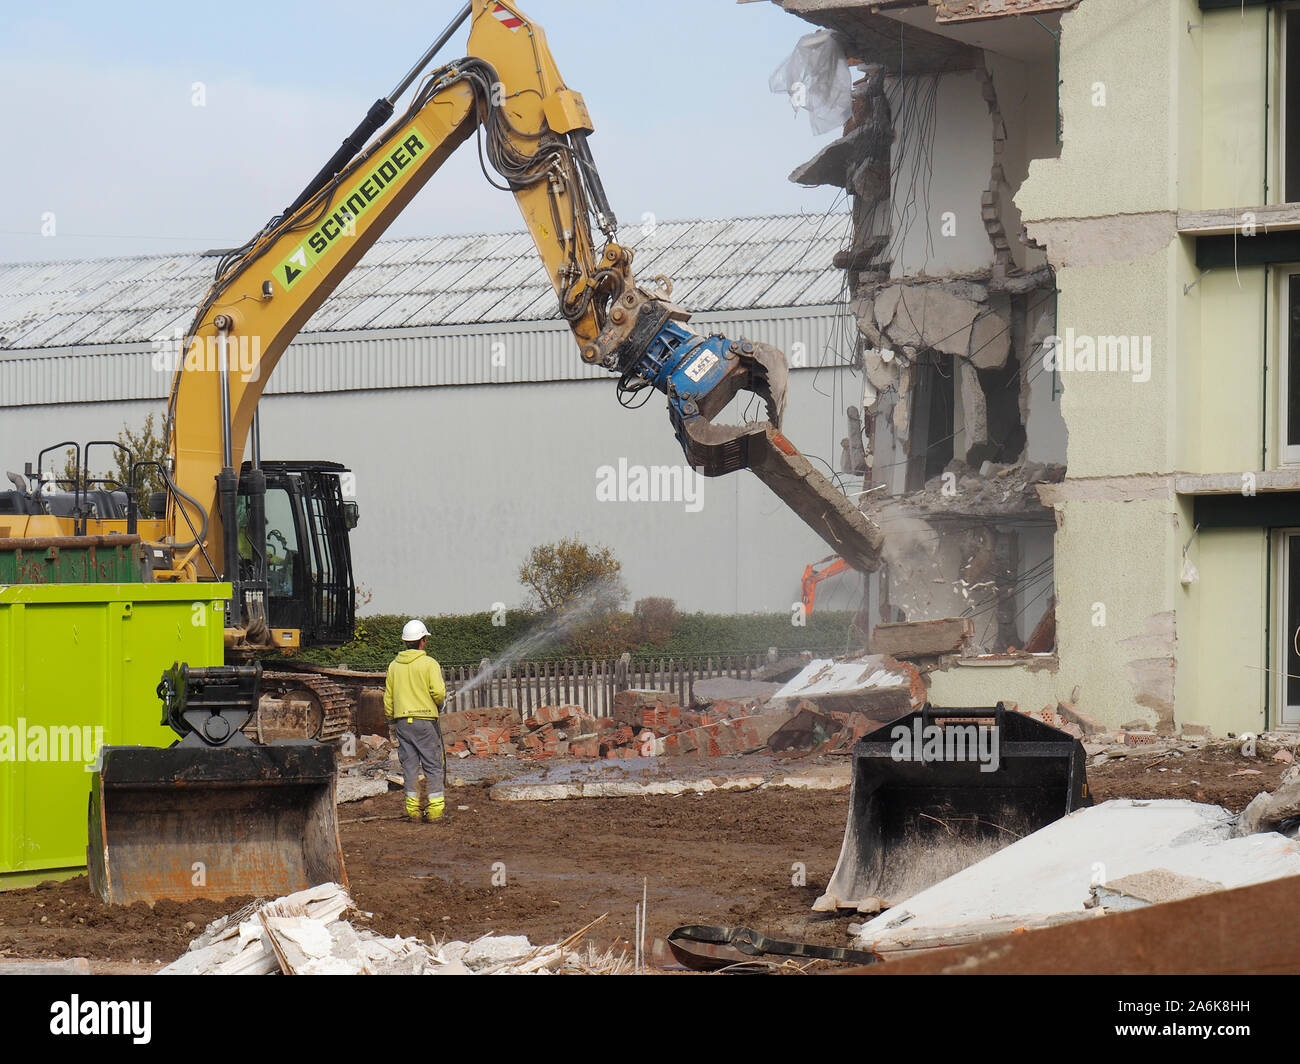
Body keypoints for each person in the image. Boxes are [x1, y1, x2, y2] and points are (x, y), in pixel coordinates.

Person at [384, 619, 447, 822]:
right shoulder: (429, 664)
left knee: (410, 767)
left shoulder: (394, 666)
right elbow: (438, 692)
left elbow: (388, 697)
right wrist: (440, 703)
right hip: (426, 722)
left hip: (402, 722)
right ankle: (435, 811)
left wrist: (391, 719)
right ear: (422, 641)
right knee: (433, 765)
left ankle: (413, 811)